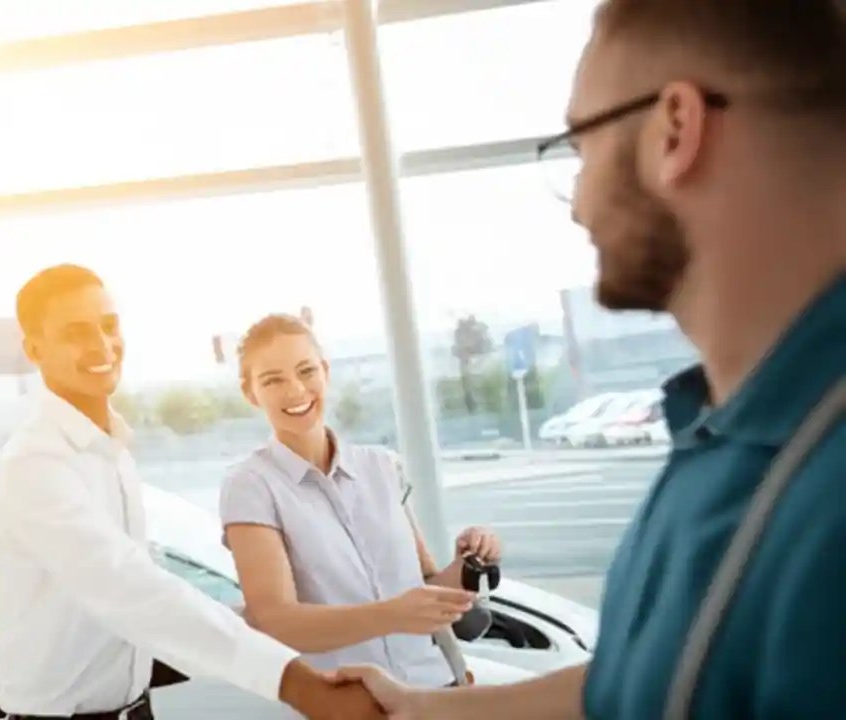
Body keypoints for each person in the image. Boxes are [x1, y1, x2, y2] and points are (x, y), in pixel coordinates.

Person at [334, 0, 846, 718]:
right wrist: (421, 711)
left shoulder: (822, 477)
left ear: (675, 128)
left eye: (581, 145)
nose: (577, 202)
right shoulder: (724, 432)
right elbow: (649, 682)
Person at [0, 264, 383, 720]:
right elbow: (128, 587)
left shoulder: (108, 449)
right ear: (34, 349)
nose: (102, 345)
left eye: (109, 326)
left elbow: (145, 596)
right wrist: (297, 684)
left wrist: (249, 618)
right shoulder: (35, 466)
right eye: (76, 333)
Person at [220, 313, 503, 687]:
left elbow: (428, 587)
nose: (295, 391)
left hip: (439, 692)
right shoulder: (251, 485)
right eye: (273, 380)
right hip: (352, 704)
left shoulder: (383, 467)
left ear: (325, 371)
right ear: (250, 392)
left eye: (306, 371)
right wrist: (392, 615)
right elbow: (278, 622)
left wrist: (470, 560)